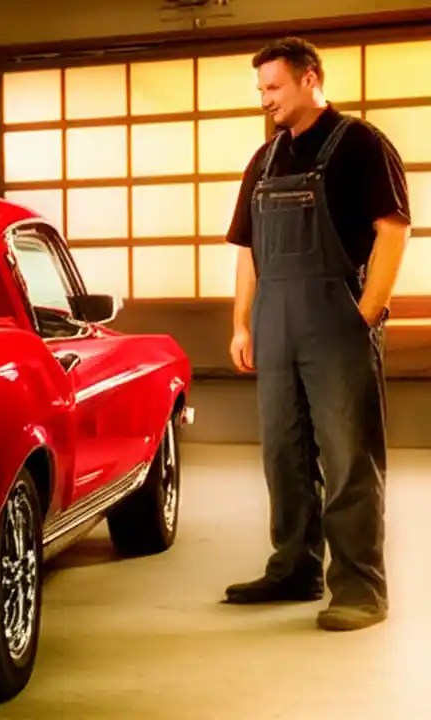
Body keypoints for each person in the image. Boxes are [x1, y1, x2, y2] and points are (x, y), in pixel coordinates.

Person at [223, 37, 410, 631]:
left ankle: (360, 589)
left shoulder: (360, 144)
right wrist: (241, 323)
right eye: (261, 90)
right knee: (284, 455)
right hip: (275, 324)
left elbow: (393, 230)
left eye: (274, 87)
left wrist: (367, 313)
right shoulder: (267, 158)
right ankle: (294, 569)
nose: (266, 99)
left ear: (310, 79)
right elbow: (249, 250)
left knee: (350, 457)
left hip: (337, 321)